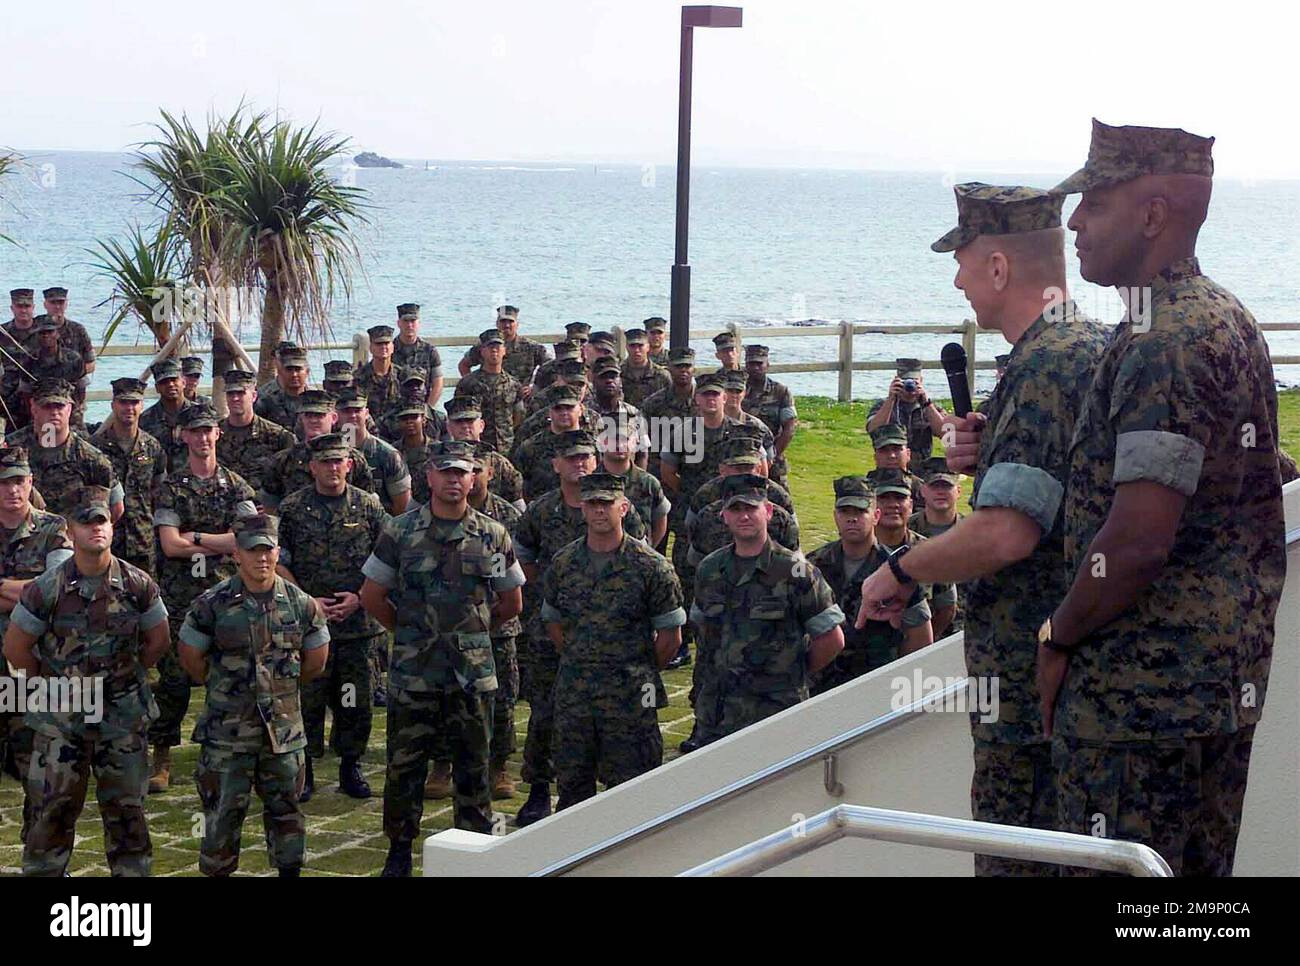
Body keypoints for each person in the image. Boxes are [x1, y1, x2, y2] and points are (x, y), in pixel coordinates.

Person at [1041, 120, 1284, 876]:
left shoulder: (1165, 340)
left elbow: (1140, 538)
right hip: (1206, 696)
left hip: (1138, 711)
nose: (1075, 223)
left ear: (1152, 215)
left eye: (1094, 205)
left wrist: (1060, 636)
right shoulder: (1220, 317)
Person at [360, 439, 525, 876]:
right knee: (405, 765)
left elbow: (511, 602)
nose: (454, 480)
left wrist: (471, 634)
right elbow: (373, 595)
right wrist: (411, 632)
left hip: (472, 674)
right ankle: (399, 850)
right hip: (414, 672)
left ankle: (471, 850)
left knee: (474, 762)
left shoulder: (493, 533)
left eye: (462, 472)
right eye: (446, 472)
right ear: (429, 477)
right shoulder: (400, 531)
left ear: (474, 479)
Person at [3, 485, 170, 876]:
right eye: (86, 522)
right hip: (62, 716)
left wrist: (125, 676)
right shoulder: (47, 588)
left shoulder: (137, 584)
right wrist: (48, 683)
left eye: (102, 521)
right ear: (71, 531)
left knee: (127, 812)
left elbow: (158, 640)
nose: (96, 528)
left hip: (122, 716)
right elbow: (16, 648)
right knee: (52, 812)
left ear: (112, 527)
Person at [180, 513, 329, 877]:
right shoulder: (211, 604)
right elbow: (191, 659)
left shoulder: (300, 603)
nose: (261, 558)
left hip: (284, 734)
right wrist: (226, 691)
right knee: (221, 815)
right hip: (227, 734)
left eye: (267, 550)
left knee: (288, 813)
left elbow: (315, 663)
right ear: (236, 555)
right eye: (252, 550)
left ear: (277, 552)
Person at [513, 431, 650, 826]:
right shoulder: (541, 511)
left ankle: (614, 796)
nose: (580, 464)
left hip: (613, 637)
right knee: (545, 713)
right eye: (571, 459)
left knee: (612, 719)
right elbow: (525, 564)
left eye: (586, 457)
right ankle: (539, 788)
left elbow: (638, 558)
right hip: (552, 631)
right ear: (556, 464)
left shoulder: (621, 510)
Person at [542, 472, 684, 809]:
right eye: (592, 503)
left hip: (631, 698)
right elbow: (554, 623)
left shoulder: (651, 568)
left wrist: (637, 668)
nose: (599, 510)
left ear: (623, 508)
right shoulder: (564, 563)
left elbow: (670, 638)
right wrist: (583, 658)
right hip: (576, 695)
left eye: (607, 503)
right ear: (582, 508)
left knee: (633, 794)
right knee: (573, 791)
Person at [148, 403, 257, 793]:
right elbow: (170, 545)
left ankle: (229, 749)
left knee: (230, 673)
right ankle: (161, 752)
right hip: (182, 597)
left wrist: (194, 537)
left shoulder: (237, 486)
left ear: (218, 434)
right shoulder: (171, 487)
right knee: (175, 678)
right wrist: (216, 542)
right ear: (184, 437)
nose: (203, 438)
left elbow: (244, 539)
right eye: (195, 431)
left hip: (227, 594)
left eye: (209, 430)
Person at [690, 474, 844, 745]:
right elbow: (702, 630)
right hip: (719, 710)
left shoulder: (796, 571)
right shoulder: (710, 569)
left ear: (768, 512)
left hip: (776, 710)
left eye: (751, 508)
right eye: (736, 509)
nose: (744, 516)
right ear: (724, 516)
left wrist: (792, 673)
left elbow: (831, 639)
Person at [277, 433, 389, 802]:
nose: (332, 468)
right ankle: (305, 768)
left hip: (358, 626)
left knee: (353, 699)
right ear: (312, 468)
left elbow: (388, 557)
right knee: (307, 698)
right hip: (309, 624)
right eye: (325, 462)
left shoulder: (368, 507)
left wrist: (360, 598)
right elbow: (279, 562)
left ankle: (350, 766)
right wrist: (307, 601)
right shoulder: (293, 509)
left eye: (338, 461)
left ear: (350, 465)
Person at [0, 448, 73, 844]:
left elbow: (52, 591)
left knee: (37, 762)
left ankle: (43, 853)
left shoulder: (53, 528)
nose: (13, 489)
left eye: (19, 481)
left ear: (31, 483)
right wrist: (23, 590)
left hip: (31, 664)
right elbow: (34, 590)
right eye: (5, 481)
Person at [809, 476, 931, 696]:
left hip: (879, 685)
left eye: (860, 512)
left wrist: (905, 680)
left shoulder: (894, 571)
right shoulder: (814, 566)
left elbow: (920, 635)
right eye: (845, 512)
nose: (852, 519)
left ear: (876, 516)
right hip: (823, 688)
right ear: (835, 516)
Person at [6, 378, 123, 522]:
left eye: (59, 406)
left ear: (69, 409)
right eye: (47, 406)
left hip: (70, 540)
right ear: (33, 407)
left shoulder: (90, 458)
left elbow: (116, 508)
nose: (54, 412)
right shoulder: (10, 450)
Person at [90, 377, 167, 573]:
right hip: (107, 539)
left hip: (143, 540)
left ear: (142, 405)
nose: (129, 408)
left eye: (134, 402)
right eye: (123, 402)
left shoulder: (152, 447)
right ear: (113, 405)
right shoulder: (94, 449)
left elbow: (159, 491)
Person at [870, 467, 956, 638]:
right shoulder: (855, 550)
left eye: (900, 498)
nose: (893, 504)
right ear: (873, 507)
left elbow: (947, 608)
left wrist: (921, 646)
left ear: (910, 506)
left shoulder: (931, 553)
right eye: (883, 498)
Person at [257, 390, 375, 511]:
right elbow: (270, 509)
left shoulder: (353, 459)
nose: (313, 420)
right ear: (301, 418)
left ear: (334, 418)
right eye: (308, 415)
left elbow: (368, 504)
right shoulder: (283, 461)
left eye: (319, 415)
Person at [215, 368, 297, 496]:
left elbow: (291, 480)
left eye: (241, 393)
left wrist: (271, 505)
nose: (235, 398)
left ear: (253, 396)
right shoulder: (213, 435)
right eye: (230, 393)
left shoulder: (278, 436)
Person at [335, 387, 412, 516]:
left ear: (366, 413)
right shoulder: (327, 453)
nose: (352, 416)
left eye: (357, 410)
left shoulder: (388, 455)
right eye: (346, 411)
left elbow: (402, 506)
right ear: (336, 415)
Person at [445, 394, 524, 510]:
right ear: (448, 428)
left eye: (470, 421)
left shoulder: (500, 464)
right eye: (459, 421)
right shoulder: (438, 464)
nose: (465, 426)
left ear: (481, 425)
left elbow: (519, 509)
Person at [457, 329, 526, 455]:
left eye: (498, 346)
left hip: (507, 448)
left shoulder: (514, 384)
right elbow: (458, 418)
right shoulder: (468, 384)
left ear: (504, 351)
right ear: (482, 351)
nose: (494, 350)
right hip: (477, 448)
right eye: (490, 347)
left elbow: (518, 416)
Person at [741, 344, 797, 490]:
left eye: (759, 363)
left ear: (767, 365)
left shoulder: (781, 392)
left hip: (773, 457)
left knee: (781, 503)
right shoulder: (737, 391)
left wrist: (772, 456)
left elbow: (789, 428)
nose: (755, 368)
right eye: (751, 364)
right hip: (741, 457)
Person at [458, 305, 550, 394]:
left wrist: (536, 387)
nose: (506, 325)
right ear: (497, 323)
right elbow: (463, 365)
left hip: (522, 398)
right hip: (489, 397)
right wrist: (472, 386)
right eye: (503, 321)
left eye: (510, 321)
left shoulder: (532, 347)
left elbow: (551, 367)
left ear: (517, 324)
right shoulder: (484, 347)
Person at [866, 358, 945, 461]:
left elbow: (946, 434)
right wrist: (891, 399)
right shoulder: (883, 406)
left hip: (922, 466)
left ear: (921, 381)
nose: (909, 386)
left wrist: (926, 403)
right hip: (892, 464)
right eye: (905, 382)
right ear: (897, 381)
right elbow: (873, 429)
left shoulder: (930, 407)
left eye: (914, 382)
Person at [640, 346, 697, 484]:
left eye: (687, 366)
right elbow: (643, 441)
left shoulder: (706, 401)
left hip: (697, 470)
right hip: (660, 471)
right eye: (678, 366)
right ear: (669, 368)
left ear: (693, 369)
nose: (683, 370)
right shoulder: (654, 403)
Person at [139, 358, 193, 471]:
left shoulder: (199, 414)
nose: (170, 384)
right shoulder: (145, 420)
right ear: (157, 388)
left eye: (174, 379)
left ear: (183, 382)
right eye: (164, 382)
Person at [390, 303, 444, 407]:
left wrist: (428, 409)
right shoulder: (389, 350)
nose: (409, 325)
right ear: (398, 323)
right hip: (395, 410)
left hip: (422, 407)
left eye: (413, 321)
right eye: (405, 321)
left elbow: (438, 383)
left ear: (419, 323)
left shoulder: (430, 351)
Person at [254, 343, 310, 431]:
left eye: (298, 369)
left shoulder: (314, 400)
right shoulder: (265, 401)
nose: (294, 375)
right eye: (289, 370)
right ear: (280, 372)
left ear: (307, 372)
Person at [867, 424, 925, 508]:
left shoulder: (921, 489)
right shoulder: (865, 488)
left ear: (908, 454)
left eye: (896, 449)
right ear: (875, 457)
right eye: (884, 450)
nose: (892, 455)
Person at [620, 327, 671, 408]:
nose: (636, 350)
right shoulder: (618, 374)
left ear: (648, 347)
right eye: (632, 346)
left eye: (640, 346)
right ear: (626, 347)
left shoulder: (662, 375)